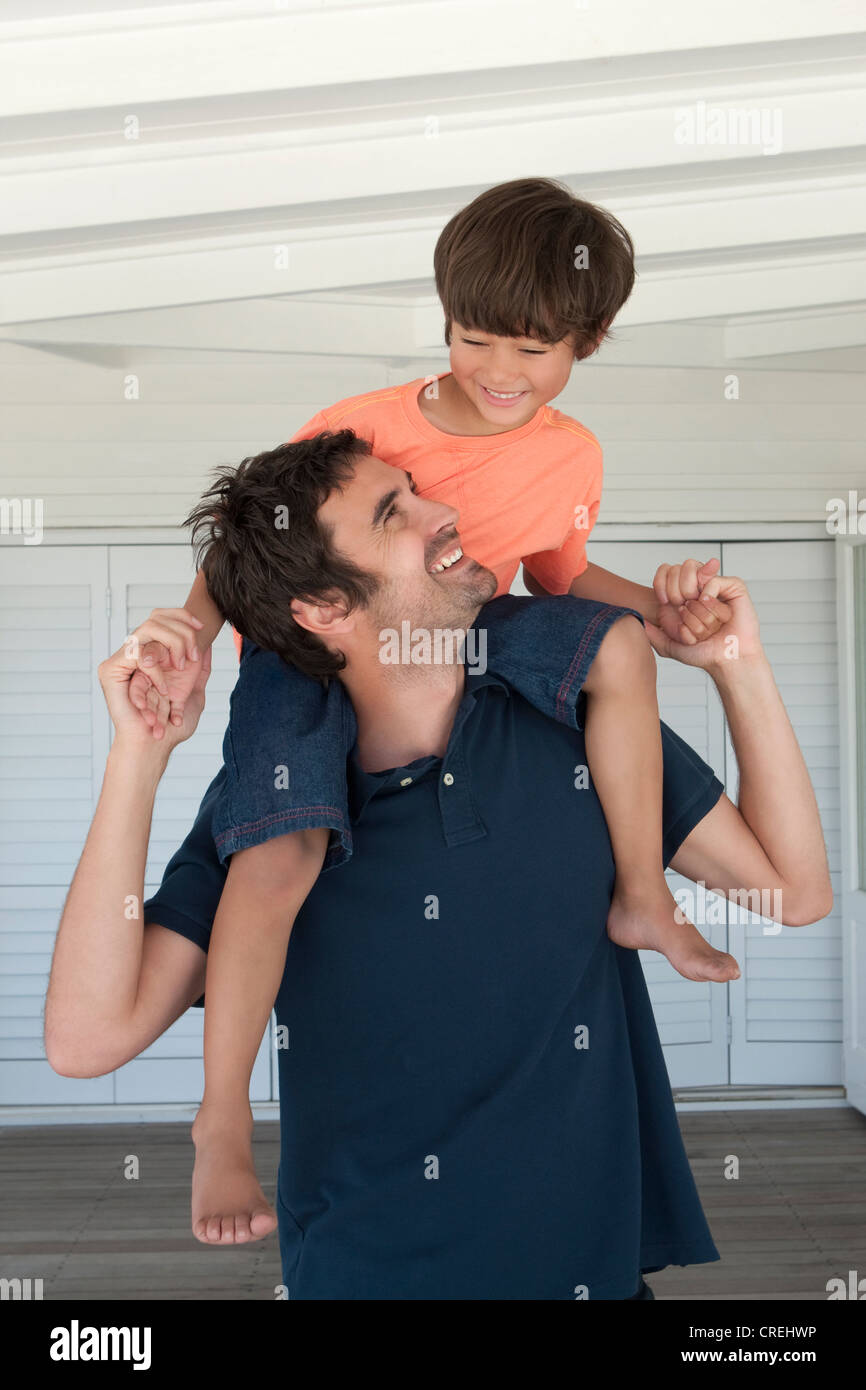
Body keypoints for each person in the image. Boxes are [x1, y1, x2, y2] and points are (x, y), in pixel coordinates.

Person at [45, 439, 832, 1299]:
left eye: (413, 490)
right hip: (366, 1278)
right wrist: (139, 757)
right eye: (394, 514)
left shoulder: (586, 729)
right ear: (321, 607)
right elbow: (87, 1041)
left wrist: (735, 665)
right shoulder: (275, 805)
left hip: (593, 1277)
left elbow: (792, 895)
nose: (445, 510)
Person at [124, 179, 743, 1240]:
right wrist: (188, 623)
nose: (500, 372)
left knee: (623, 653)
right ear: (444, 319)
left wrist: (663, 611)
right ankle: (220, 1115)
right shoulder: (357, 427)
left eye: (533, 349)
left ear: (587, 343)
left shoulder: (571, 457)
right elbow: (249, 545)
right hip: (303, 659)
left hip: (465, 626)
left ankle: (642, 893)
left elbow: (557, 577)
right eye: (476, 338)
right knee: (274, 863)